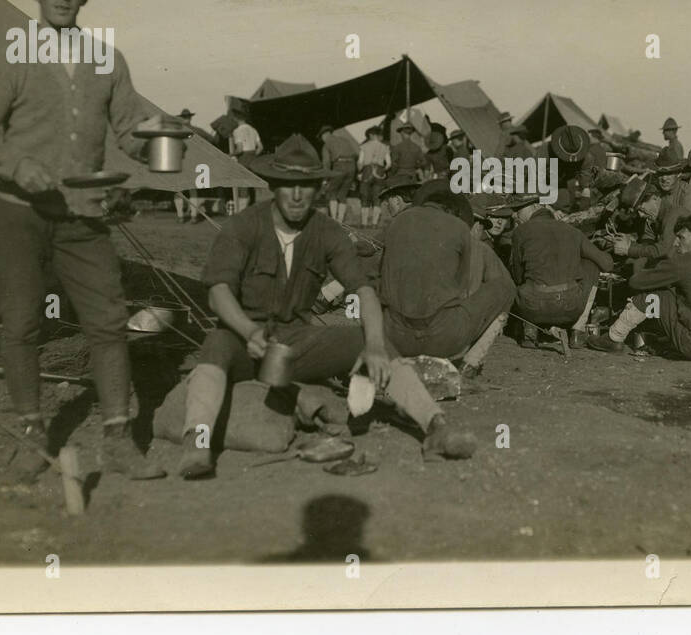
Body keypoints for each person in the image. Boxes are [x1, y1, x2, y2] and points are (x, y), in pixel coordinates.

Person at [0, 0, 166, 481]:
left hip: (83, 213)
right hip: (18, 211)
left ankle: (119, 438)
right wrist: (12, 162)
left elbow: (128, 130)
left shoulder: (107, 59)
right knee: (21, 322)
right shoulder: (12, 54)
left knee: (107, 319)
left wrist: (159, 142)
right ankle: (33, 436)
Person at [178, 136, 476, 478]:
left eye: (306, 185)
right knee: (216, 343)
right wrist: (247, 331)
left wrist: (376, 345)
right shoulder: (243, 226)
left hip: (298, 343)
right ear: (275, 186)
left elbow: (363, 290)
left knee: (369, 342)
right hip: (245, 343)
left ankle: (435, 427)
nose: (297, 195)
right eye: (289, 185)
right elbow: (217, 292)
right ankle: (196, 443)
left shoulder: (327, 232)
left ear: (318, 187)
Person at [379, 180, 517, 379]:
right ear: (454, 209)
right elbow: (463, 287)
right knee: (505, 288)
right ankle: (471, 362)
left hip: (393, 333)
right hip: (441, 336)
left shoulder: (397, 223)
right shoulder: (460, 231)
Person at [588, 213, 691, 361]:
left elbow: (636, 282)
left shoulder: (684, 261)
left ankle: (614, 337)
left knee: (655, 295)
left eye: (681, 237)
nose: (675, 243)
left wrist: (664, 275)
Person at [510, 204, 613, 349]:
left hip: (531, 308)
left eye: (518, 210)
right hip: (571, 308)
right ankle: (578, 331)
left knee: (526, 277)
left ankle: (530, 330)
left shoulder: (520, 231)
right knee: (591, 264)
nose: (514, 215)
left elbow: (517, 276)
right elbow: (607, 265)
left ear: (534, 206)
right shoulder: (572, 231)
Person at [319, 122, 361, 223]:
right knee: (343, 195)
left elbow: (326, 163)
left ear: (324, 135)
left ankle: (334, 220)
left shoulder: (326, 144)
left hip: (339, 166)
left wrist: (325, 179)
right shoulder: (344, 140)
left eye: (321, 137)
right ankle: (341, 221)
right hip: (352, 166)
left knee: (331, 192)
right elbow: (356, 154)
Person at [229, 108, 263, 213]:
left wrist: (230, 154)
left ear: (235, 118)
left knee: (242, 187)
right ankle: (252, 210)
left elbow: (239, 149)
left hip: (243, 158)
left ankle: (241, 212)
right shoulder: (253, 129)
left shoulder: (237, 131)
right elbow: (261, 147)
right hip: (252, 157)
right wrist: (253, 156)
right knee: (251, 185)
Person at [356, 125, 390, 226]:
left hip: (367, 171)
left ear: (371, 135)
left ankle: (364, 223)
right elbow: (389, 164)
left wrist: (359, 172)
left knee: (364, 197)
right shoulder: (384, 147)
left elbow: (360, 162)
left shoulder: (364, 146)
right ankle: (374, 223)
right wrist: (382, 170)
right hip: (380, 171)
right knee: (377, 198)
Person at [388, 120, 428, 186]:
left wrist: (392, 174)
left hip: (400, 176)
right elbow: (424, 162)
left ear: (402, 133)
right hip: (412, 176)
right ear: (411, 133)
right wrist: (415, 166)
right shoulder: (417, 147)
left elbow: (394, 164)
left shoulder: (397, 147)